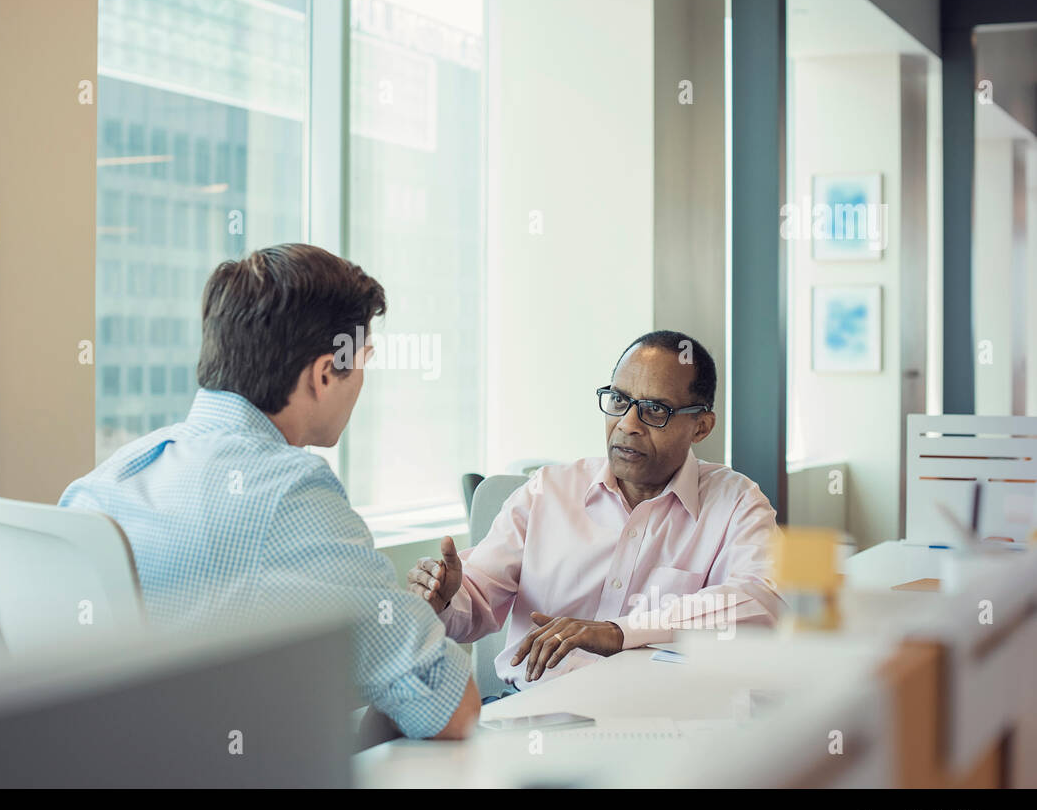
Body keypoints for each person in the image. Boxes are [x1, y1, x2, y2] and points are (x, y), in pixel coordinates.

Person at [60, 243, 479, 741]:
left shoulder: (108, 480)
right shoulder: (288, 493)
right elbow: (454, 711)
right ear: (325, 375)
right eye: (363, 360)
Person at [408, 331, 785, 693]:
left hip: (665, 723)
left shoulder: (736, 502)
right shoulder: (547, 492)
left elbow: (764, 600)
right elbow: (474, 601)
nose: (628, 424)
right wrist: (445, 599)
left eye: (654, 410)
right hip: (534, 713)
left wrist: (620, 631)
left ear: (701, 426)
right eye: (619, 401)